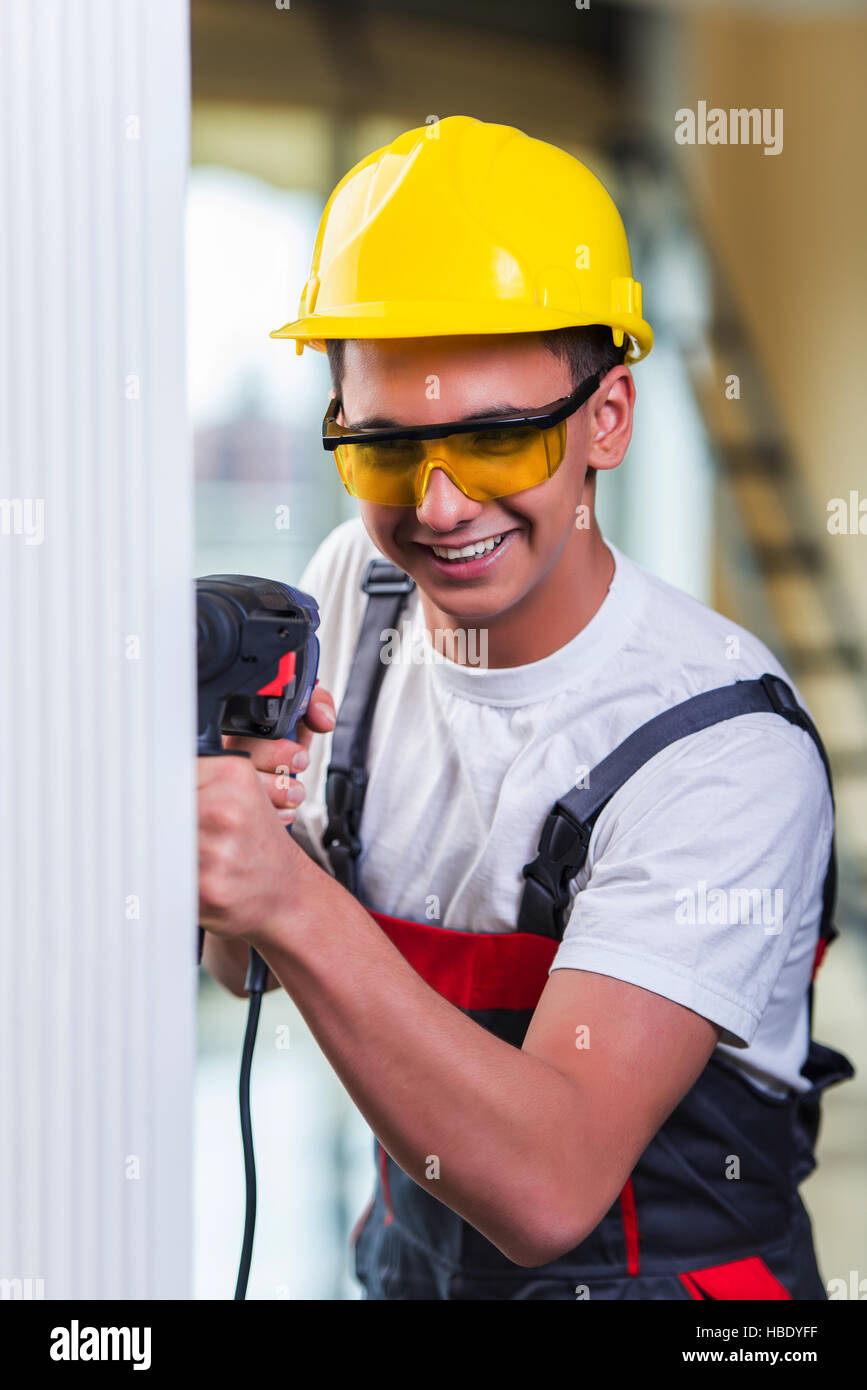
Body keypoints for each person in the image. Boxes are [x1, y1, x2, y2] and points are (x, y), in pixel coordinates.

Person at [198, 115, 854, 1300]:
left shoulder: (723, 746)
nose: (440, 505)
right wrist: (239, 845)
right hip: (413, 1271)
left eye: (497, 437)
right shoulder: (361, 587)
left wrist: (285, 888)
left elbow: (548, 1189)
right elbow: (246, 971)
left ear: (607, 417)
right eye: (386, 447)